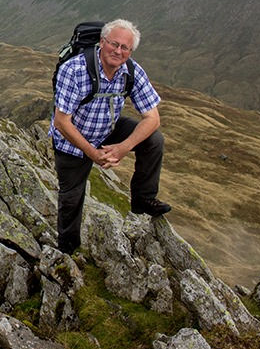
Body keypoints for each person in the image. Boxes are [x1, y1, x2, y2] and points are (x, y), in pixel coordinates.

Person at [48, 19, 170, 254]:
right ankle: (68, 249)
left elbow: (152, 118)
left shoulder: (131, 71)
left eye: (125, 47)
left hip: (106, 127)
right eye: (114, 44)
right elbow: (62, 122)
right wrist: (92, 153)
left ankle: (143, 199)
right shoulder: (74, 70)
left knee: (154, 140)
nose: (118, 51)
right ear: (101, 42)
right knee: (72, 198)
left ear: (130, 51)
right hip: (72, 140)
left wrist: (123, 148)